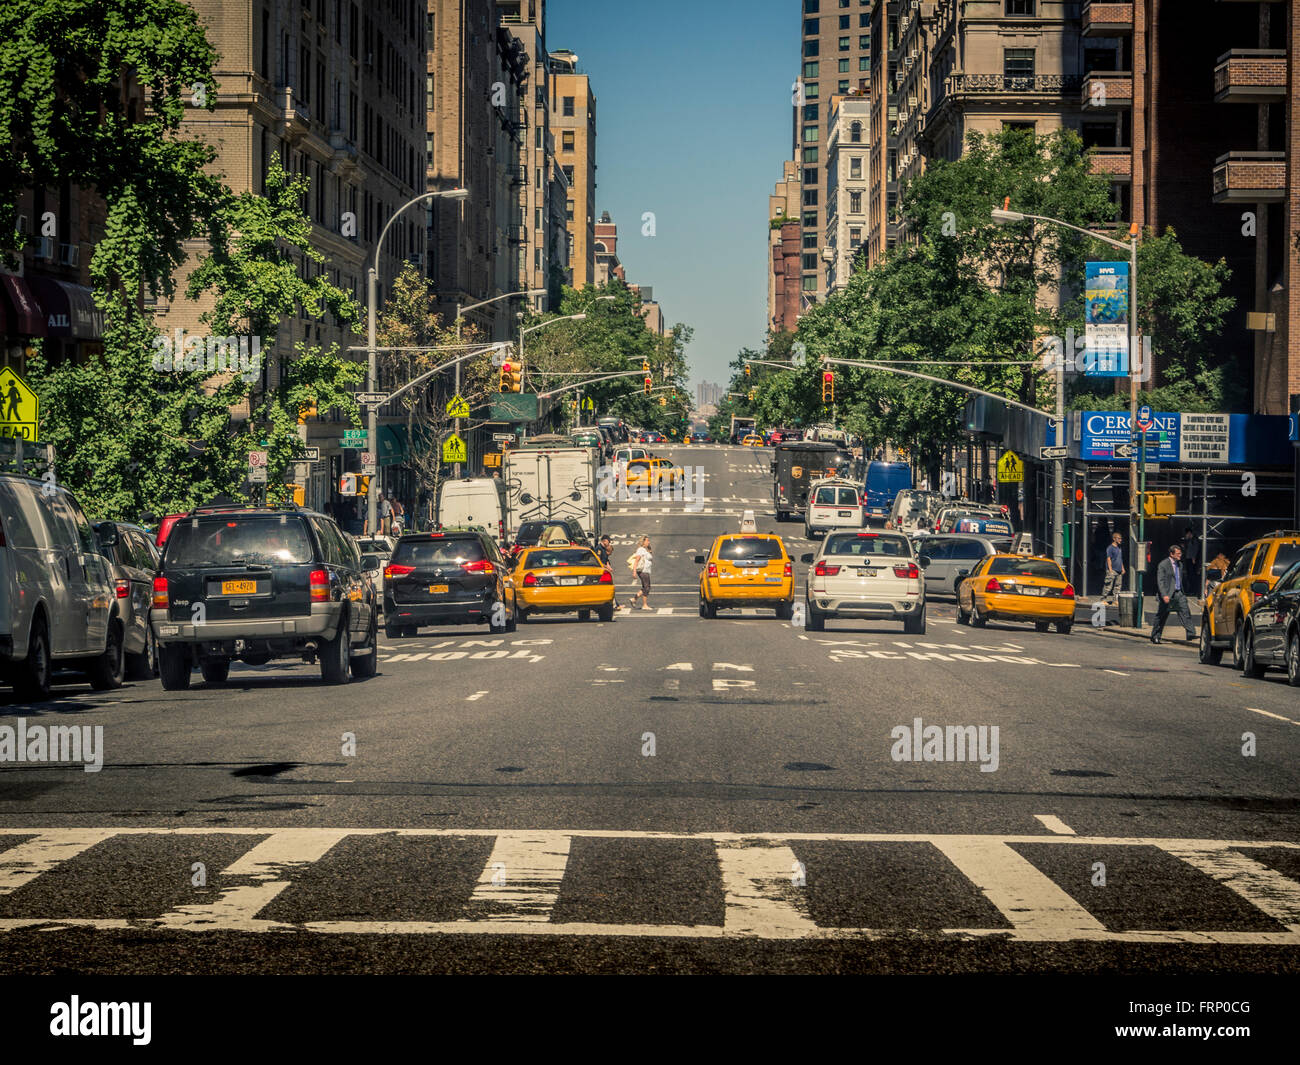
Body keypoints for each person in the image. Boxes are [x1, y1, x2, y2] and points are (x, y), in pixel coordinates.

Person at [1151, 543, 1195, 644]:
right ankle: (1155, 635)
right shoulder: (1163, 564)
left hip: (1179, 593)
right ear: (1171, 554)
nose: (1180, 555)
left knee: (1185, 612)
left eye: (1180, 553)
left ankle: (1191, 634)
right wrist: (1164, 595)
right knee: (1162, 616)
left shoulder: (1180, 564)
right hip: (1167, 594)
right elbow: (1160, 581)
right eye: (1178, 553)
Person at [628, 535, 652, 611]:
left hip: (646, 570)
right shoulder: (641, 549)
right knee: (647, 587)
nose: (649, 542)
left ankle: (634, 599)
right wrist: (634, 572)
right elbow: (637, 560)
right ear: (643, 542)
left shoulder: (644, 549)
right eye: (647, 541)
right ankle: (644, 605)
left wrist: (649, 549)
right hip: (643, 570)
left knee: (646, 587)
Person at [596, 534, 620, 609]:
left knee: (609, 588)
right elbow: (598, 561)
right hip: (600, 572)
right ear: (604, 541)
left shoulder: (603, 548)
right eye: (608, 541)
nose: (609, 543)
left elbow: (605, 560)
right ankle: (614, 605)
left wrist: (608, 565)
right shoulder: (599, 549)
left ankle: (615, 604)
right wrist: (607, 567)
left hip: (604, 571)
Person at [1102, 531, 1125, 605]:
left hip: (1119, 570)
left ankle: (1115, 600)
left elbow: (1120, 559)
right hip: (1112, 570)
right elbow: (1108, 559)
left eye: (1121, 539)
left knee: (1118, 586)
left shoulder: (1119, 548)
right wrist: (1110, 570)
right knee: (1108, 585)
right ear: (1114, 539)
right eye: (1119, 538)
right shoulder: (1110, 548)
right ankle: (1103, 599)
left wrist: (1123, 568)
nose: (1120, 540)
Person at [1181, 526, 1200, 597]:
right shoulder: (1190, 540)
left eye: (1186, 534)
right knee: (1189, 575)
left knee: (1192, 575)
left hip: (1192, 560)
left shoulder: (1194, 540)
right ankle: (1191, 590)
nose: (1185, 536)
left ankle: (1193, 590)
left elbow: (1195, 549)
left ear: (1189, 533)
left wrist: (1193, 558)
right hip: (1189, 559)